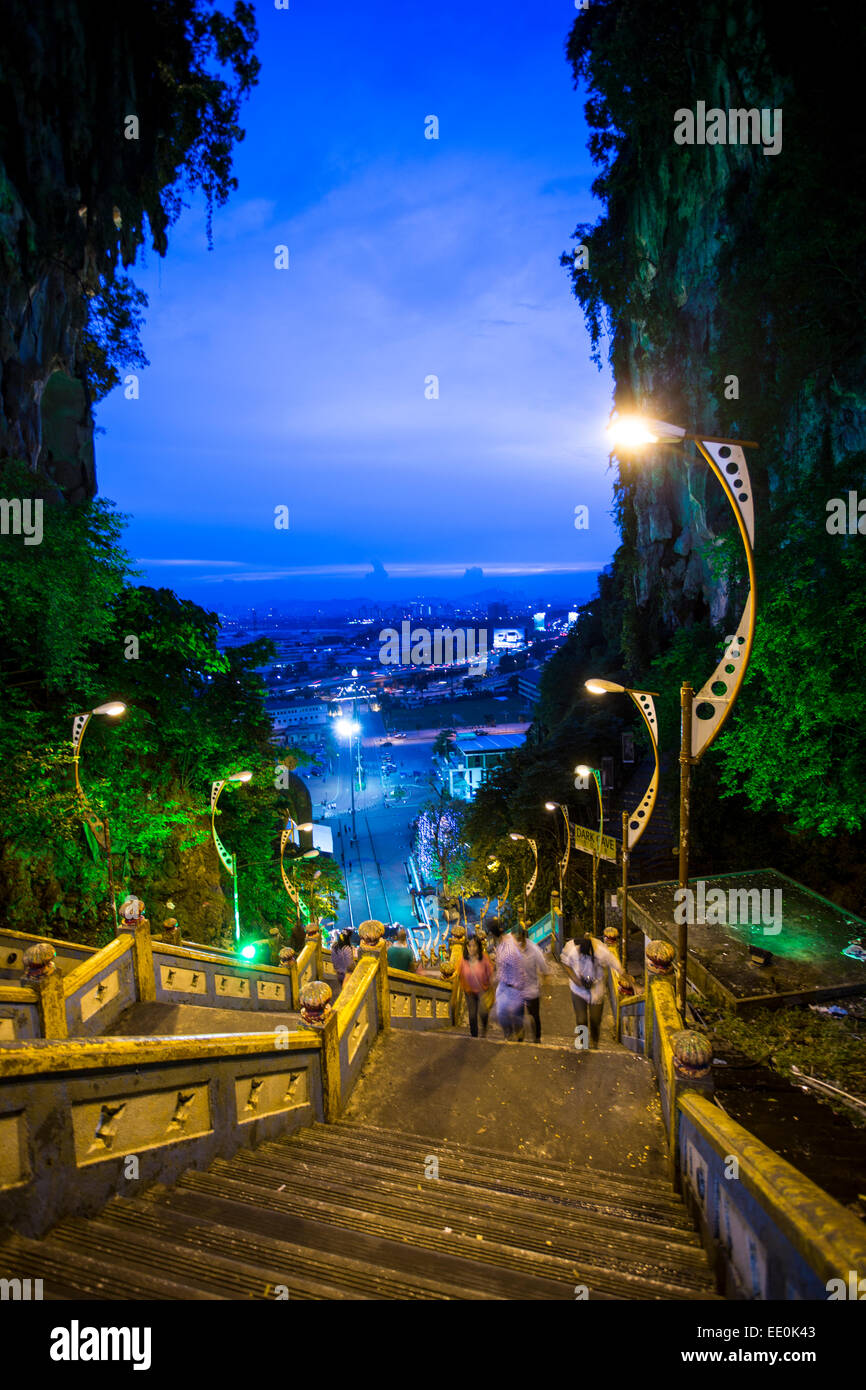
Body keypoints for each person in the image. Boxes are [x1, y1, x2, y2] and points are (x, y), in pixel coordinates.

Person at [559, 932, 624, 1050]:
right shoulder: (572, 948)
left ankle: (595, 1042)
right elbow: (565, 963)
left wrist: (633, 984)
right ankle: (583, 1044)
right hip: (578, 989)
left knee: (595, 1019)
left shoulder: (601, 952)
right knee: (581, 1019)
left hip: (596, 988)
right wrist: (575, 979)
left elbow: (618, 967)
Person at [487, 918, 525, 1041]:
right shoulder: (505, 941)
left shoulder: (509, 950)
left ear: (492, 934)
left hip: (514, 986)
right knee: (501, 1014)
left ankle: (519, 1035)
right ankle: (510, 1034)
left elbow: (518, 967)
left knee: (515, 1016)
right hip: (504, 985)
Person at [515, 926, 552, 1042]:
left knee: (535, 1016)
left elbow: (545, 970)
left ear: (523, 937)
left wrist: (546, 993)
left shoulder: (534, 950)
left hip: (532, 990)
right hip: (517, 990)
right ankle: (520, 1038)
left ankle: (537, 1038)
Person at [459, 934, 493, 1038]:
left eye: (474, 945)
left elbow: (490, 971)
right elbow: (456, 972)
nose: (472, 948)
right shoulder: (463, 960)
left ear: (478, 946)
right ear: (466, 947)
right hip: (469, 991)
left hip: (483, 990)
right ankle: (474, 1036)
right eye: (469, 946)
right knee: (472, 1015)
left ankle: (484, 1028)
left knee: (483, 1012)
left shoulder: (484, 958)